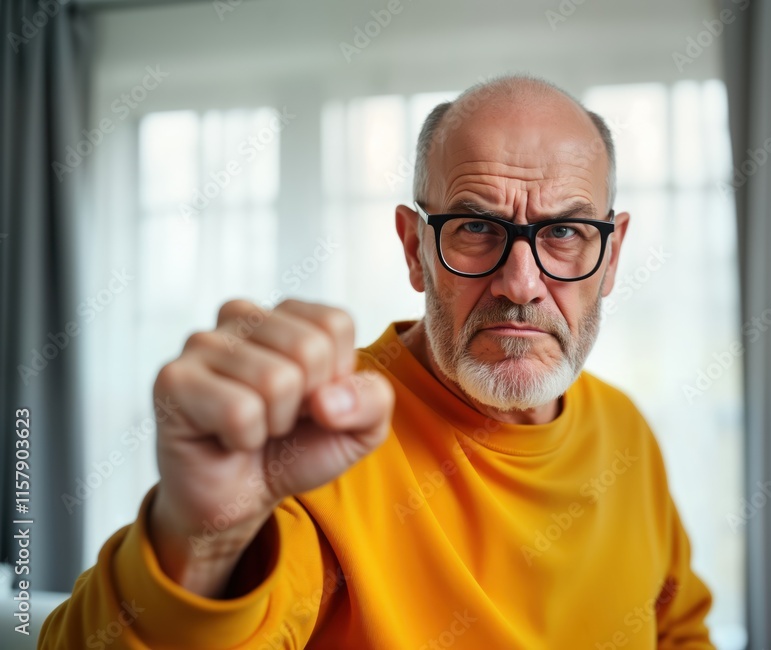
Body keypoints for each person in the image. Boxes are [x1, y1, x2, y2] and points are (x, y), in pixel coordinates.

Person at [39, 74, 714, 649]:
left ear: (613, 254)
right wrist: (203, 542)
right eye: (477, 227)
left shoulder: (627, 433)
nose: (520, 282)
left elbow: (679, 631)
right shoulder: (314, 440)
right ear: (415, 248)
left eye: (564, 232)